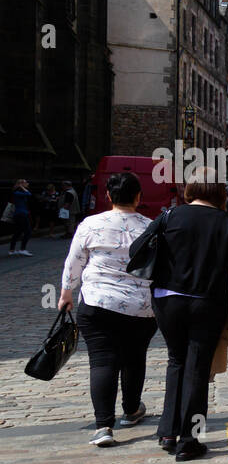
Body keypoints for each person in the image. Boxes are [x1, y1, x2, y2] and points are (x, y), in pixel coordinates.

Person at [132, 168, 228, 461]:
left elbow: (136, 249)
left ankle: (168, 432)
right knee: (197, 367)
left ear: (190, 189)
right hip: (207, 302)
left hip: (167, 300)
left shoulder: (169, 216)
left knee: (176, 361)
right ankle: (189, 441)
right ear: (219, 192)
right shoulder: (227, 222)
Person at [59, 173, 157, 446]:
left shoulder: (91, 224)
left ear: (109, 196)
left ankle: (103, 426)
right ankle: (132, 409)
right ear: (139, 197)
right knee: (135, 358)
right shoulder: (151, 227)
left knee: (102, 361)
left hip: (98, 303)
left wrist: (67, 293)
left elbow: (75, 261)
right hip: (141, 307)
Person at [7, 180, 34, 256]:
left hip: (20, 214)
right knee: (27, 232)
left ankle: (12, 250)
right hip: (21, 214)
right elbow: (29, 194)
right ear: (21, 184)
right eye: (25, 182)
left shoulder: (18, 193)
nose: (27, 184)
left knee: (17, 232)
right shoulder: (17, 193)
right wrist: (22, 187)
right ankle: (22, 249)